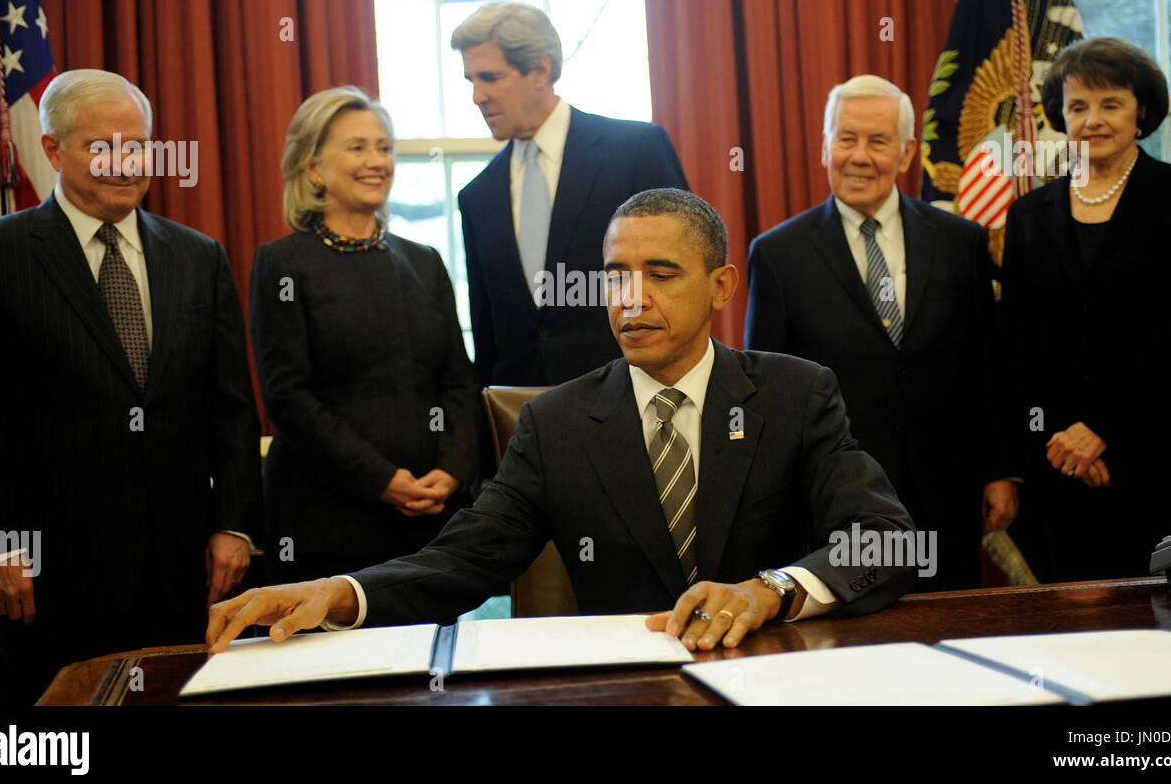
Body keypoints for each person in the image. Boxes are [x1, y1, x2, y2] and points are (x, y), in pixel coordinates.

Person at [207, 190, 916, 654]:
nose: (631, 300)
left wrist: (770, 590)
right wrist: (339, 592)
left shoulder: (796, 393)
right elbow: (460, 562)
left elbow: (885, 543)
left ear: (722, 286)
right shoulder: (558, 423)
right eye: (616, 275)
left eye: (661, 274)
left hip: (780, 678)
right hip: (628, 689)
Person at [0, 69, 262, 704]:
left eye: (138, 144)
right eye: (102, 145)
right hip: (44, 580)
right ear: (54, 149)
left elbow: (230, 410)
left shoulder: (199, 257)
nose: (125, 162)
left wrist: (234, 525)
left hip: (182, 576)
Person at [745, 75, 1017, 592]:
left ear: (908, 151)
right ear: (825, 145)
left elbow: (988, 365)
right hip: (833, 495)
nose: (859, 156)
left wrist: (1001, 471)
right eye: (846, 139)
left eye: (878, 141)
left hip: (947, 489)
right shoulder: (779, 254)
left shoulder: (961, 241)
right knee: (854, 642)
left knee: (951, 639)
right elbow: (767, 392)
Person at [1001, 36, 1171, 582]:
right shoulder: (1029, 215)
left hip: (1168, 453)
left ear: (1141, 110)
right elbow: (1019, 342)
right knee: (1080, 639)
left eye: (1111, 103)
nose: (1093, 120)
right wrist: (1065, 439)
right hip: (1062, 463)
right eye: (1078, 105)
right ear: (1061, 114)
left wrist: (1100, 427)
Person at [250, 87, 479, 585]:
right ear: (313, 168)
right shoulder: (283, 263)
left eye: (384, 147)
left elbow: (458, 380)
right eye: (357, 148)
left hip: (432, 525)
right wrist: (382, 481)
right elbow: (288, 397)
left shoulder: (424, 261)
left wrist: (455, 468)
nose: (378, 161)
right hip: (326, 528)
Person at [453, 1, 689, 390]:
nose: (478, 96)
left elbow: (684, 277)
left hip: (635, 400)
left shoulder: (635, 150)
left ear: (540, 70)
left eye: (490, 78)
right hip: (525, 421)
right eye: (471, 80)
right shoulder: (477, 196)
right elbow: (487, 333)